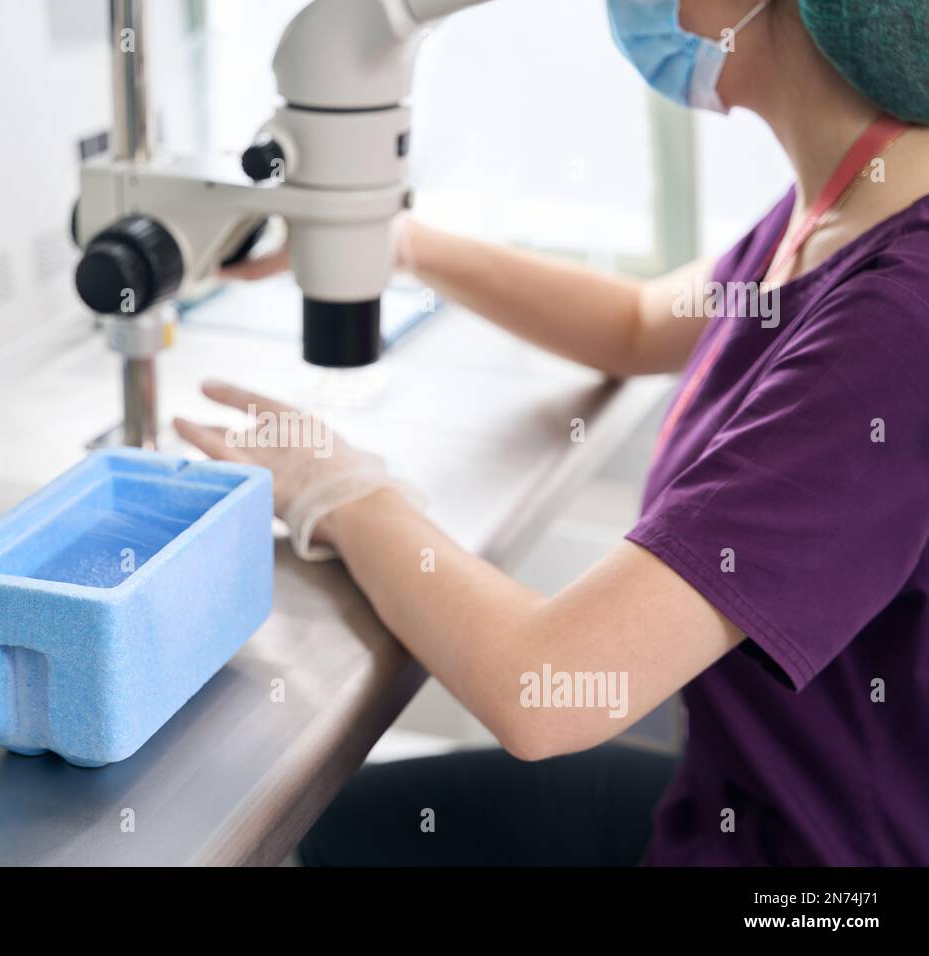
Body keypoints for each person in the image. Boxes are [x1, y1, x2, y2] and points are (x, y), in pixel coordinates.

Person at [174, 0, 929, 866]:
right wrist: (395, 241)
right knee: (332, 832)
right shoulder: (848, 201)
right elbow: (638, 323)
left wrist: (343, 494)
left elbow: (547, 690)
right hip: (731, 799)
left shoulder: (898, 323)